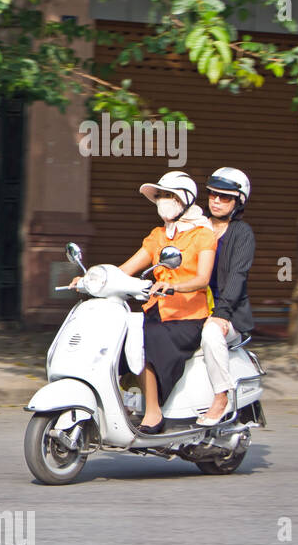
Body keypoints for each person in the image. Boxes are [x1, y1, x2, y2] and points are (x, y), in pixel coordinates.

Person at [74, 171, 216, 434]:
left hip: (188, 319)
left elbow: (202, 278)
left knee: (144, 339)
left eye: (169, 195)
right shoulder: (157, 236)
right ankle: (125, 401)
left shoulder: (202, 235)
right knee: (117, 335)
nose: (162, 200)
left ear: (185, 199)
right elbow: (124, 269)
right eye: (160, 195)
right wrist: (89, 279)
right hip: (157, 313)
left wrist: (173, 285)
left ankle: (153, 411)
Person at [198, 168, 255, 426]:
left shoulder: (242, 234)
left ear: (238, 202)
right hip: (193, 310)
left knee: (211, 333)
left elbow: (237, 276)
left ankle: (221, 397)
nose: (216, 201)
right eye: (213, 194)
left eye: (225, 197)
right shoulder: (197, 228)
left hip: (228, 315)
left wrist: (220, 314)